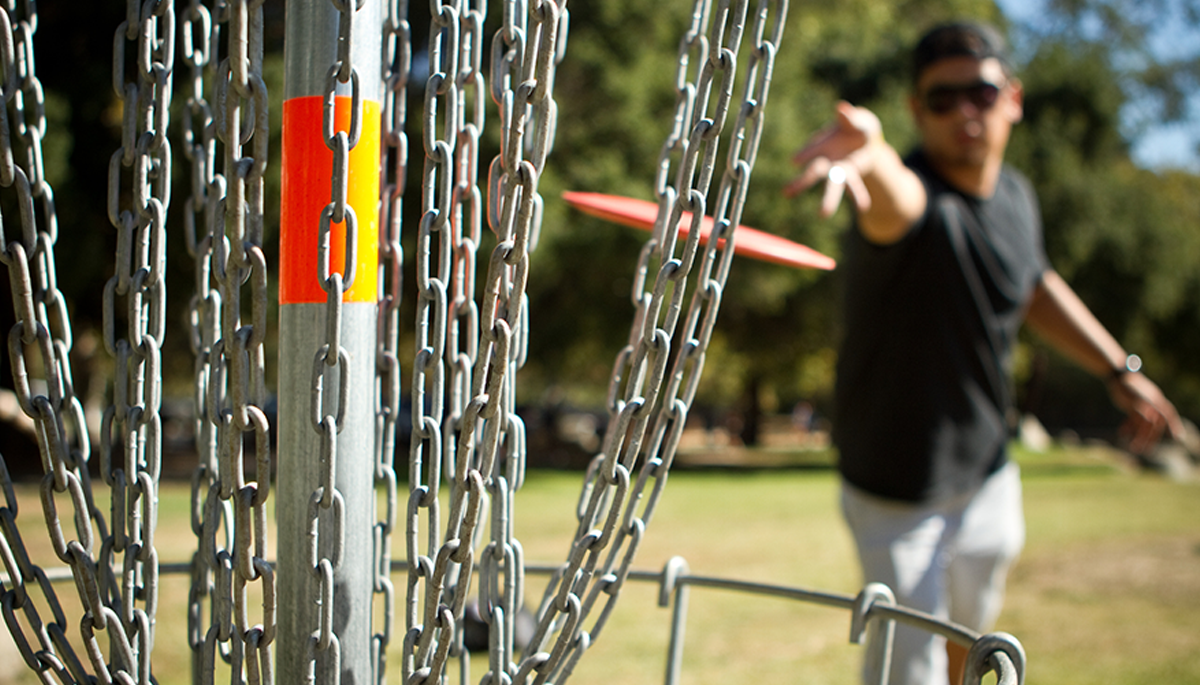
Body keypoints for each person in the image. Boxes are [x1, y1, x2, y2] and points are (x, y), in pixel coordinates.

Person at [784, 21, 1184, 685]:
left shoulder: (1017, 198)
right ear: (917, 111)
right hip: (895, 489)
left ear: (1014, 98)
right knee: (907, 669)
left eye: (982, 92)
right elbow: (894, 203)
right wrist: (874, 154)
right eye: (942, 99)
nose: (965, 111)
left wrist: (1121, 369)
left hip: (988, 474)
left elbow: (1033, 283)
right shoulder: (912, 196)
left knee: (974, 650)